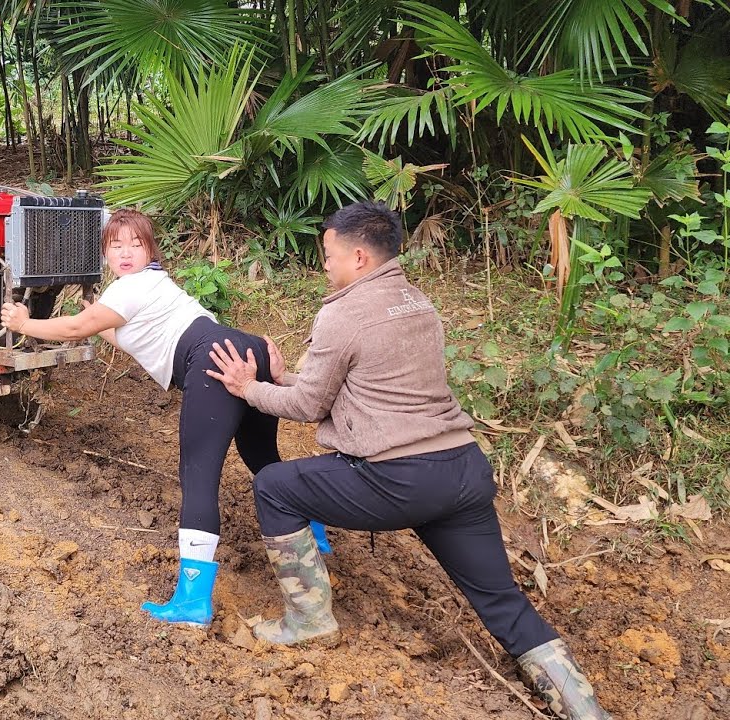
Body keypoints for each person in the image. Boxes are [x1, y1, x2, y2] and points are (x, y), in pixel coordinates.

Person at [205, 201, 611, 720]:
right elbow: (370, 388)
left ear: (358, 257)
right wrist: (285, 380)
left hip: (396, 480)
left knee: (275, 486)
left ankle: (308, 620)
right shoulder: (418, 302)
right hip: (461, 471)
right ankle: (587, 711)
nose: (323, 265)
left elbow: (309, 408)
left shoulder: (343, 312)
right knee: (502, 602)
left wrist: (249, 387)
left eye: (327, 254)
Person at [0, 208, 326, 628]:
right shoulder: (151, 286)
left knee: (198, 474)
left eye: (136, 244)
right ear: (106, 252)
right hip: (247, 350)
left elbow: (72, 330)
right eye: (116, 246)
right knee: (259, 453)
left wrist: (26, 322)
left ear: (150, 249)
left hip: (211, 361)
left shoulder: (129, 288)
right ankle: (314, 534)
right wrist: (97, 316)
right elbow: (121, 334)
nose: (126, 253)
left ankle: (192, 602)